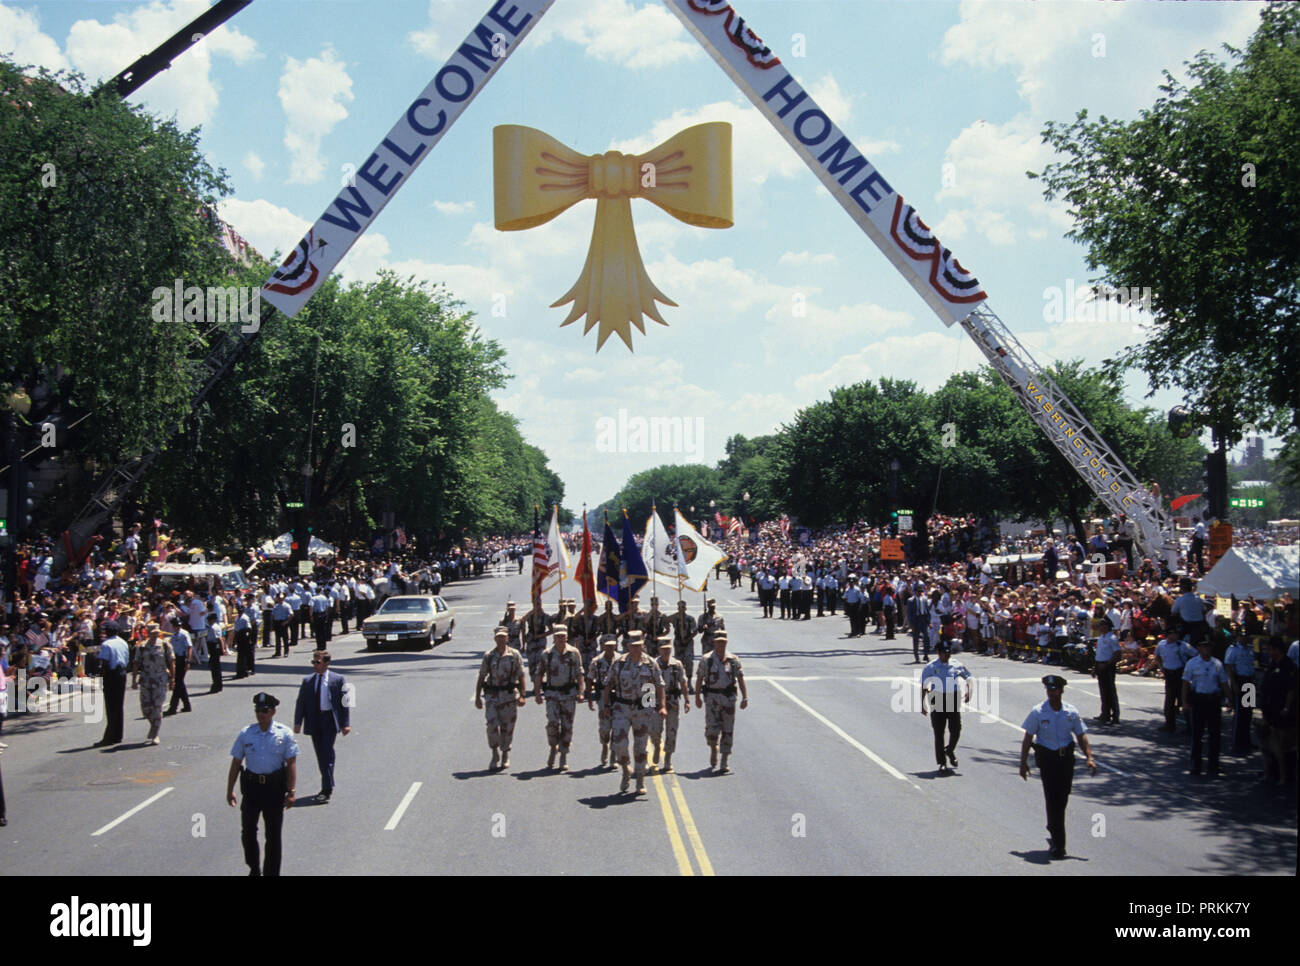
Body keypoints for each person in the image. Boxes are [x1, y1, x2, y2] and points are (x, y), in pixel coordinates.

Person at [1019, 675, 1097, 859]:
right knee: (1052, 798)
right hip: (1047, 759)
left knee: (1062, 797)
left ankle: (1053, 825)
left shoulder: (1070, 712)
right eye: (1049, 690)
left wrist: (1090, 757)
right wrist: (1023, 763)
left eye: (1055, 690)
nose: (1051, 693)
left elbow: (1081, 735)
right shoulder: (1038, 712)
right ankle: (1059, 844)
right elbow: (1028, 738)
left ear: (1061, 690)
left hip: (1066, 759)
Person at [226, 692, 298, 876]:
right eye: (258, 710)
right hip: (252, 788)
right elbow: (236, 763)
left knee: (273, 836)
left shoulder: (284, 734)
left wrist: (291, 791)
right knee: (248, 832)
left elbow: (291, 764)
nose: (260, 714)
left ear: (273, 712)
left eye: (264, 711)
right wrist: (230, 790)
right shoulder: (246, 733)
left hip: (274, 789)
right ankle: (254, 868)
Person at [602, 631, 664, 794]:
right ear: (628, 646)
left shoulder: (650, 663)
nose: (636, 649)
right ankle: (625, 769)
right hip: (621, 708)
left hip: (642, 709)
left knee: (641, 747)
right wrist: (606, 706)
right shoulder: (619, 663)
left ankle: (640, 781)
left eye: (639, 646)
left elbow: (658, 685)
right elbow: (608, 684)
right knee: (619, 744)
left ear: (643, 645)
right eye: (633, 646)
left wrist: (660, 706)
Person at [293, 650, 351, 802]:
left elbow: (345, 703)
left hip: (329, 721)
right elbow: (301, 703)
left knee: (326, 752)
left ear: (326, 663)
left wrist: (345, 724)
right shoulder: (307, 681)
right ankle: (328, 782)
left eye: (318, 662)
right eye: (313, 662)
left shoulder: (337, 679)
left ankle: (326, 788)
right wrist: (298, 722)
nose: (315, 665)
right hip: (314, 720)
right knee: (321, 755)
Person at [694, 631, 748, 773]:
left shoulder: (733, 660)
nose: (721, 644)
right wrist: (697, 697)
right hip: (712, 699)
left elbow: (740, 679)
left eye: (723, 642)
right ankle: (713, 747)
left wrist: (745, 697)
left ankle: (724, 759)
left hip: (728, 699)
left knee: (728, 730)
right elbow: (699, 678)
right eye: (718, 641)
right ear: (714, 642)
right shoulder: (707, 660)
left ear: (726, 642)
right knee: (711, 730)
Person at [475, 627, 526, 771]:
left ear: (507, 638)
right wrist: (478, 697)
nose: (501, 639)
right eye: (498, 637)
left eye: (503, 637)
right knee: (492, 725)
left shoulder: (514, 655)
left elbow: (521, 675)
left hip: (509, 696)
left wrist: (522, 695)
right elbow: (481, 676)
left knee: (507, 727)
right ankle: (494, 753)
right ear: (495, 639)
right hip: (492, 696)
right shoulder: (489, 656)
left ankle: (505, 754)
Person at [535, 628, 583, 772]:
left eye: (563, 636)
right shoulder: (547, 654)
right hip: (552, 694)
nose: (561, 639)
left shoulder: (574, 653)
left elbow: (580, 673)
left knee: (567, 726)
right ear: (554, 638)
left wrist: (581, 692)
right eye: (558, 636)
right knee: (552, 724)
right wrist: (537, 693)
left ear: (567, 637)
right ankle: (553, 747)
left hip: (568, 694)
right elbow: (539, 674)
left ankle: (563, 755)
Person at [920, 639, 971, 774]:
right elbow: (924, 686)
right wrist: (922, 704)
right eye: (944, 653)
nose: (946, 656)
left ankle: (949, 750)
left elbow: (968, 677)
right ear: (938, 653)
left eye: (948, 653)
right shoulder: (931, 666)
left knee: (956, 729)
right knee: (939, 732)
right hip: (937, 698)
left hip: (952, 698)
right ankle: (942, 762)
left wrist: (969, 690)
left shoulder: (956, 665)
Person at [1182, 638, 1230, 776]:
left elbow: (1224, 682)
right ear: (1198, 648)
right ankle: (1195, 765)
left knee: (1215, 735)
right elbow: (1185, 683)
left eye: (1208, 646)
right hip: (1199, 700)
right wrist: (1185, 702)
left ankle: (1213, 765)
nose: (1206, 649)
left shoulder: (1217, 663)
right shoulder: (1192, 663)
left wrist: (1230, 699)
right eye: (1203, 646)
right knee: (1197, 734)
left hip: (1213, 700)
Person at [1256, 636, 1297, 787]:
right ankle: (1271, 773)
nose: (1268, 651)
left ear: (1277, 650)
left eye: (1270, 649)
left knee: (1284, 748)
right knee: (1269, 746)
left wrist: (1287, 707)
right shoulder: (1272, 664)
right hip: (1270, 711)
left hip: (1283, 713)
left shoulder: (1289, 666)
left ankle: (1287, 776)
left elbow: (1291, 690)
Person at [654, 636, 691, 772]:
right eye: (663, 649)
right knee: (655, 731)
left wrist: (687, 700)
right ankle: (657, 746)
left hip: (673, 703)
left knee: (672, 731)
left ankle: (668, 758)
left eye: (668, 649)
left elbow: (683, 682)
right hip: (656, 703)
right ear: (659, 649)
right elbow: (647, 685)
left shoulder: (677, 665)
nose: (666, 652)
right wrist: (647, 705)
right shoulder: (653, 664)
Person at [133, 623, 172, 745]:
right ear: (148, 633)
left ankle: (155, 732)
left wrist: (173, 679)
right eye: (153, 633)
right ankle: (153, 724)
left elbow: (171, 661)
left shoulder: (164, 645)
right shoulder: (142, 646)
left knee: (157, 707)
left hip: (160, 680)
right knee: (146, 708)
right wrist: (134, 679)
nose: (155, 635)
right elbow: (136, 662)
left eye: (157, 632)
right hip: (145, 680)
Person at [587, 635, 620, 769]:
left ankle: (613, 755)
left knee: (617, 726)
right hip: (602, 697)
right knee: (605, 728)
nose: (610, 648)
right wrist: (589, 698)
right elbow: (590, 679)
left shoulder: (621, 660)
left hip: (618, 697)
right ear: (603, 646)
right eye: (608, 646)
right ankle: (604, 746)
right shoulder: (597, 661)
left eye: (613, 645)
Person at [94, 630, 130, 747]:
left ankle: (109, 737)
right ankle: (118, 735)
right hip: (122, 673)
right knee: (119, 706)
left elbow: (104, 662)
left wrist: (101, 676)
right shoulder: (123, 642)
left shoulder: (106, 644)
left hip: (111, 674)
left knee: (111, 707)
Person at [1223, 632, 1256, 754]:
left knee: (1248, 712)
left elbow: (1252, 666)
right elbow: (1228, 666)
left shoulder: (1250, 649)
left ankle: (1246, 741)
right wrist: (1234, 683)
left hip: (1249, 682)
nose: (1244, 638)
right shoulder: (1233, 649)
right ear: (1237, 637)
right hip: (1239, 681)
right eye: (1241, 635)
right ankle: (1236, 743)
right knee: (1239, 713)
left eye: (1246, 635)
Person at [1154, 632, 1193, 732]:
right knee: (1169, 700)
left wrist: (1190, 669)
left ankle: (1190, 725)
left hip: (1180, 673)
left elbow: (1195, 655)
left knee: (1185, 699)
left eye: (1176, 634)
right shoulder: (1162, 644)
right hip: (1169, 674)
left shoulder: (1183, 645)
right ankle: (1169, 724)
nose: (1174, 636)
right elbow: (1157, 656)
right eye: (1172, 634)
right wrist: (1161, 667)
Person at [1092, 616, 1121, 725]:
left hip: (1108, 666)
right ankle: (1105, 713)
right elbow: (1098, 654)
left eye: (1101, 625)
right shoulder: (1101, 638)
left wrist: (1108, 665)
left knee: (1110, 691)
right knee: (1103, 691)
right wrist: (1094, 668)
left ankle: (1115, 715)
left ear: (1107, 627)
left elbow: (1117, 654)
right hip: (1100, 665)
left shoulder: (1112, 638)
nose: (1099, 627)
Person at [165, 624, 193, 715]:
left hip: (182, 659)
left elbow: (189, 647)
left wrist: (188, 661)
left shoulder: (184, 634)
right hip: (176, 659)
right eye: (175, 626)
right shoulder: (173, 635)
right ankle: (187, 705)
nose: (177, 627)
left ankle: (173, 707)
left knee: (177, 684)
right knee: (180, 683)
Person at [670, 600, 698, 681]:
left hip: (688, 642)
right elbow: (665, 619)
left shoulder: (690, 619)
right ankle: (679, 682)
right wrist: (676, 614)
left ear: (685, 608)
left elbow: (695, 631)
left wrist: (688, 639)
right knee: (678, 662)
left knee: (689, 662)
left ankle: (689, 681)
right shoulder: (675, 618)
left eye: (683, 607)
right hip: (678, 642)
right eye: (679, 608)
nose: (681, 609)